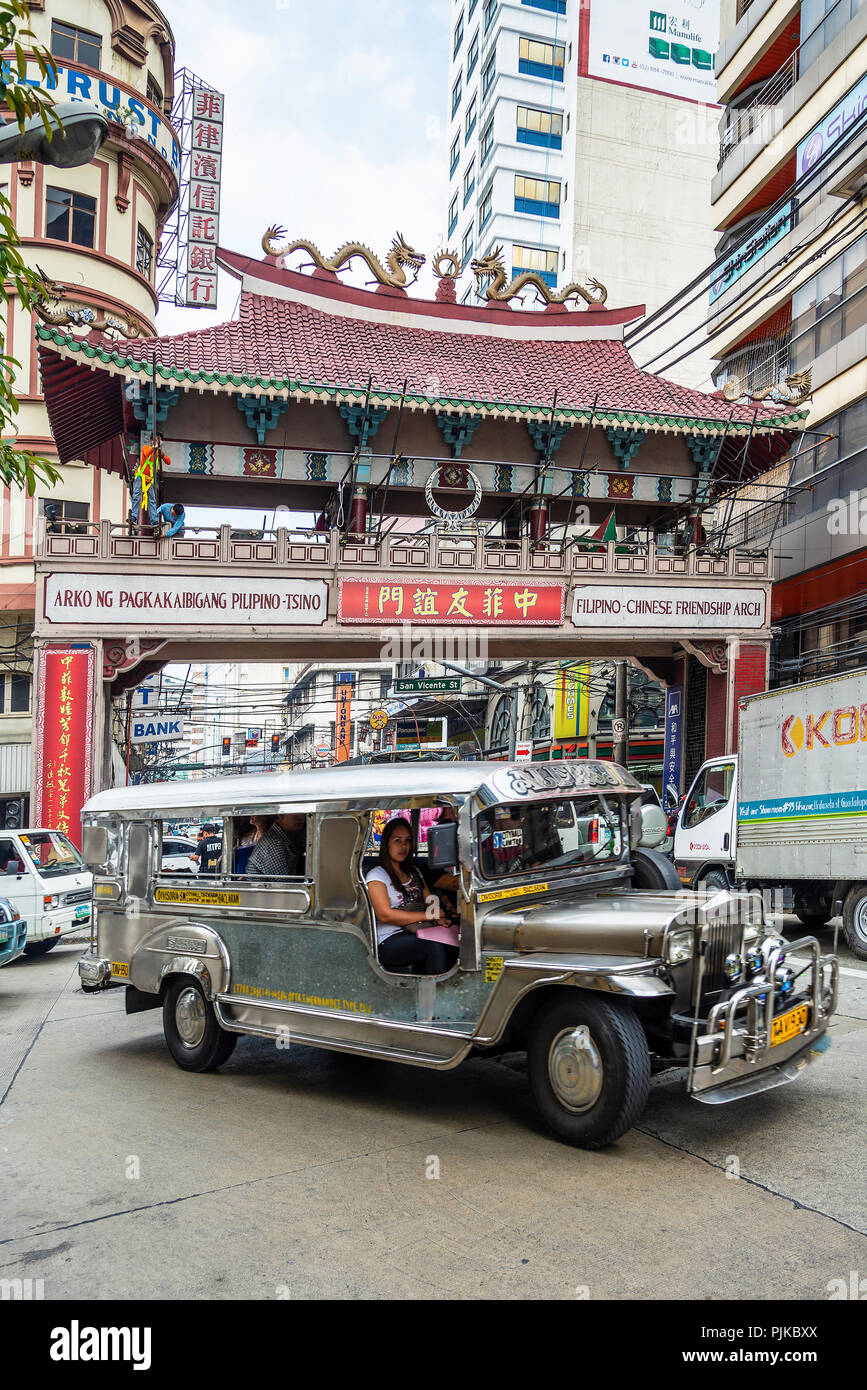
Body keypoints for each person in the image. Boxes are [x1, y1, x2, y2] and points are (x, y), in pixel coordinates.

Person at [365, 817, 457, 975]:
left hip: (419, 929)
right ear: (386, 843)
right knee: (432, 947)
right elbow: (385, 915)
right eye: (397, 841)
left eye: (407, 841)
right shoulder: (377, 875)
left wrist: (438, 918)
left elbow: (429, 899)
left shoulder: (413, 871)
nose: (403, 846)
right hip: (389, 938)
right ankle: (434, 997)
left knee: (458, 941)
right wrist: (428, 916)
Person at [246, 813, 306, 878]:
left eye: (303, 814)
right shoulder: (274, 843)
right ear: (280, 816)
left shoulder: (292, 836)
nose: (301, 818)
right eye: (296, 813)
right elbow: (283, 882)